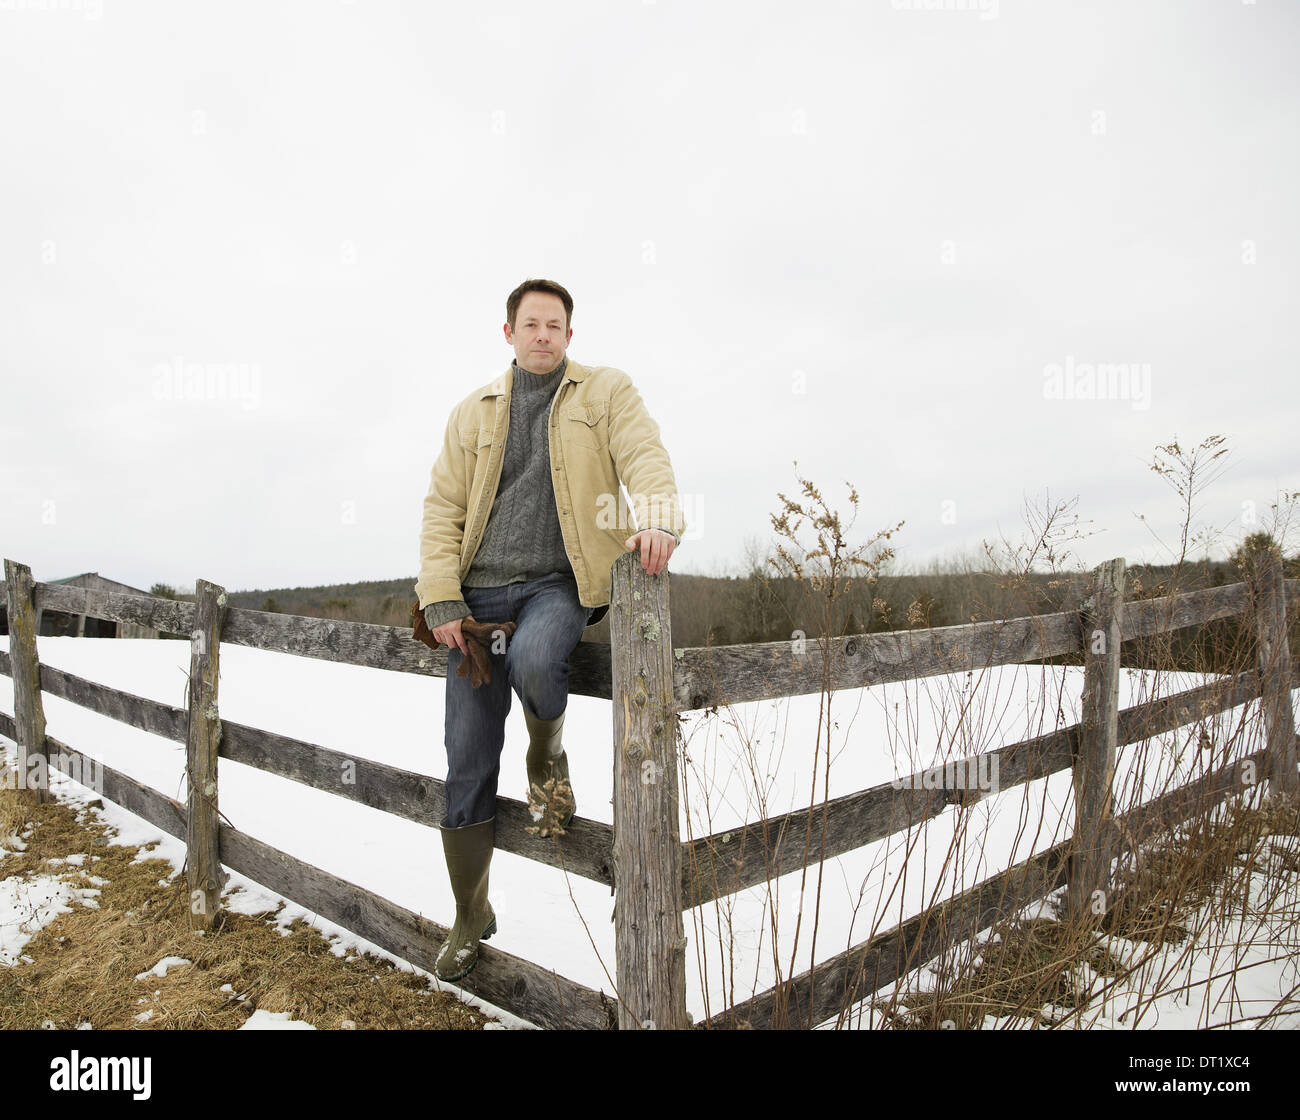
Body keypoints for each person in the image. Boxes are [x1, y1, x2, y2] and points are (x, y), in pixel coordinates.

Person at [415, 278, 686, 982]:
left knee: (538, 660)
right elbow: (442, 506)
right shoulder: (472, 412)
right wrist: (441, 595)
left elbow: (645, 454)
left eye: (555, 325)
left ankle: (547, 763)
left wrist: (656, 515)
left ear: (570, 334)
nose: (543, 334)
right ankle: (471, 912)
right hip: (477, 603)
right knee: (466, 760)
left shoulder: (603, 393)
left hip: (560, 585)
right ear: (508, 332)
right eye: (531, 323)